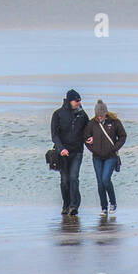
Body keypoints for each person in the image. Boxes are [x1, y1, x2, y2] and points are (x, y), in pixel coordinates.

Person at [83, 99, 127, 216]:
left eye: (102, 115)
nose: (100, 117)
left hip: (111, 156)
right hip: (97, 157)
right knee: (100, 183)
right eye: (98, 115)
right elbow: (86, 138)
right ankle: (104, 207)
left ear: (105, 113)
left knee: (105, 179)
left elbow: (123, 136)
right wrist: (92, 148)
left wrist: (115, 148)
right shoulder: (91, 123)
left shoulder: (115, 122)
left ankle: (113, 202)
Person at [50, 88, 89, 216]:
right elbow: (54, 135)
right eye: (76, 100)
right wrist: (61, 149)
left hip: (77, 151)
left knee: (73, 178)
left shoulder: (82, 115)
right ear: (70, 101)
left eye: (80, 100)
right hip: (62, 153)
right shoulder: (58, 114)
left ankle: (74, 205)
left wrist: (90, 138)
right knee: (64, 180)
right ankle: (66, 205)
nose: (79, 102)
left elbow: (88, 130)